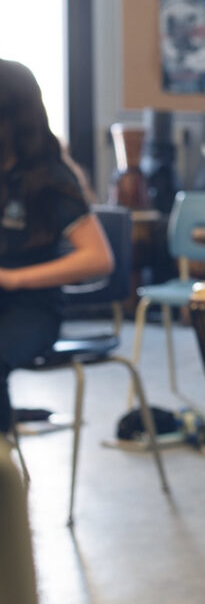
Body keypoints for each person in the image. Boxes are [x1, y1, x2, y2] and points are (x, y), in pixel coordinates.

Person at [0, 60, 113, 436]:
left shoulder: (49, 176)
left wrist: (14, 279)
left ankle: (6, 484)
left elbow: (98, 258)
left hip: (31, 310)